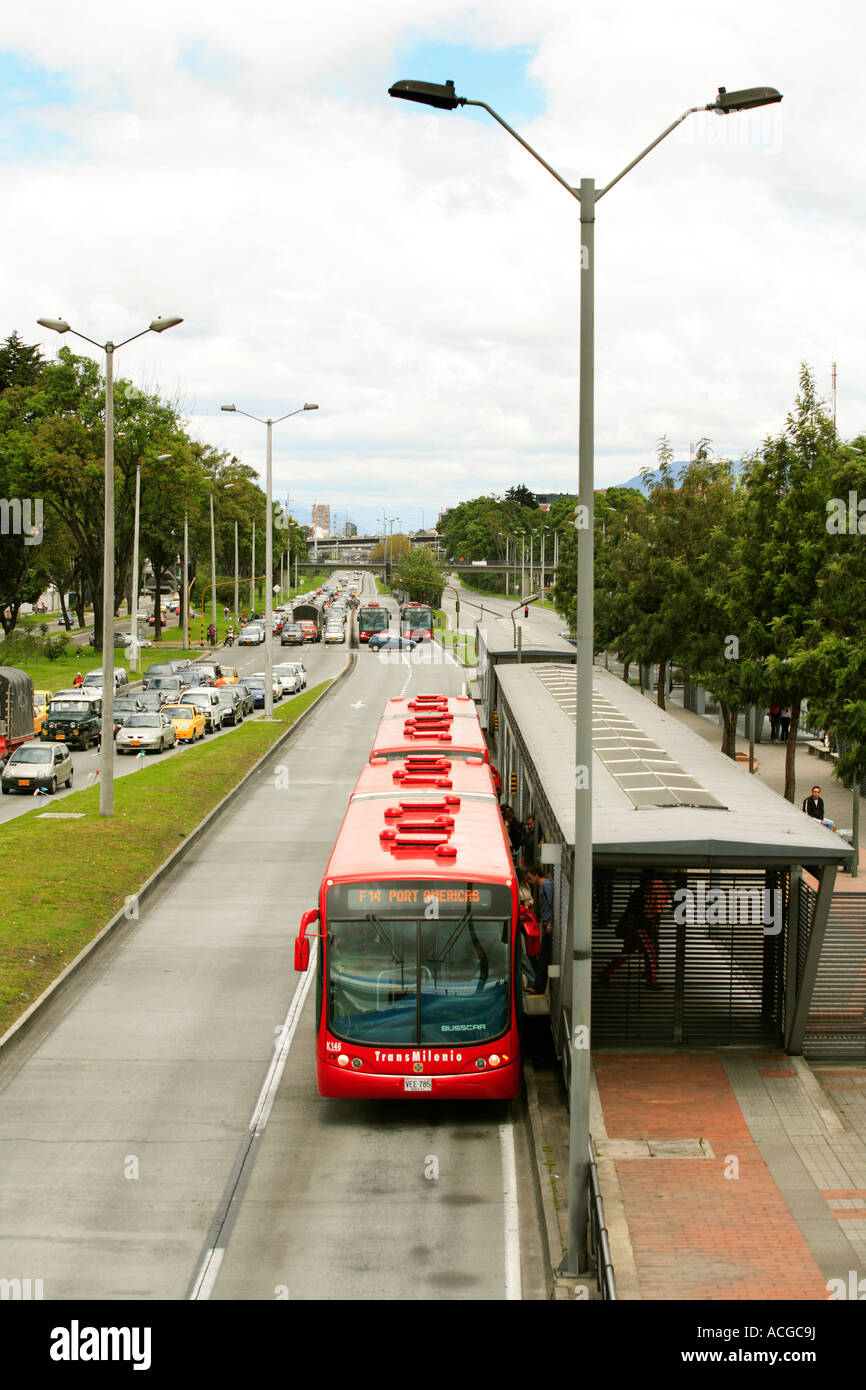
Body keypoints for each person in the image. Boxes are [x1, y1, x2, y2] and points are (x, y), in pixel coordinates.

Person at [599, 869, 670, 991]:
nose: (653, 885)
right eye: (651, 883)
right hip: (639, 929)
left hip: (635, 930)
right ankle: (651, 981)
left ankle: (605, 974)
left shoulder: (640, 893)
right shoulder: (640, 895)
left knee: (625, 954)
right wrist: (632, 929)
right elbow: (633, 914)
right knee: (650, 953)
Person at [524, 865, 554, 994]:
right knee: (543, 956)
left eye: (530, 878)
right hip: (547, 924)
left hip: (549, 926)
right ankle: (538, 985)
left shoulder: (546, 886)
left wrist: (551, 923)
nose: (530, 882)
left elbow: (553, 903)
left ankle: (539, 987)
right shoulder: (544, 886)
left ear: (536, 875)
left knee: (544, 956)